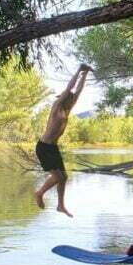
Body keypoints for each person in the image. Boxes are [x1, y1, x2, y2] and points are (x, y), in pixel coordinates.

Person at [35, 64, 90, 214]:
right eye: (68, 97)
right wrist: (79, 70)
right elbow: (70, 87)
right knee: (58, 176)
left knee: (63, 177)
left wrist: (85, 74)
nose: (71, 99)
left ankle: (60, 205)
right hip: (44, 147)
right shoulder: (57, 106)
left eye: (71, 99)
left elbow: (78, 90)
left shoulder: (67, 110)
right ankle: (39, 193)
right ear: (63, 97)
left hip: (53, 147)